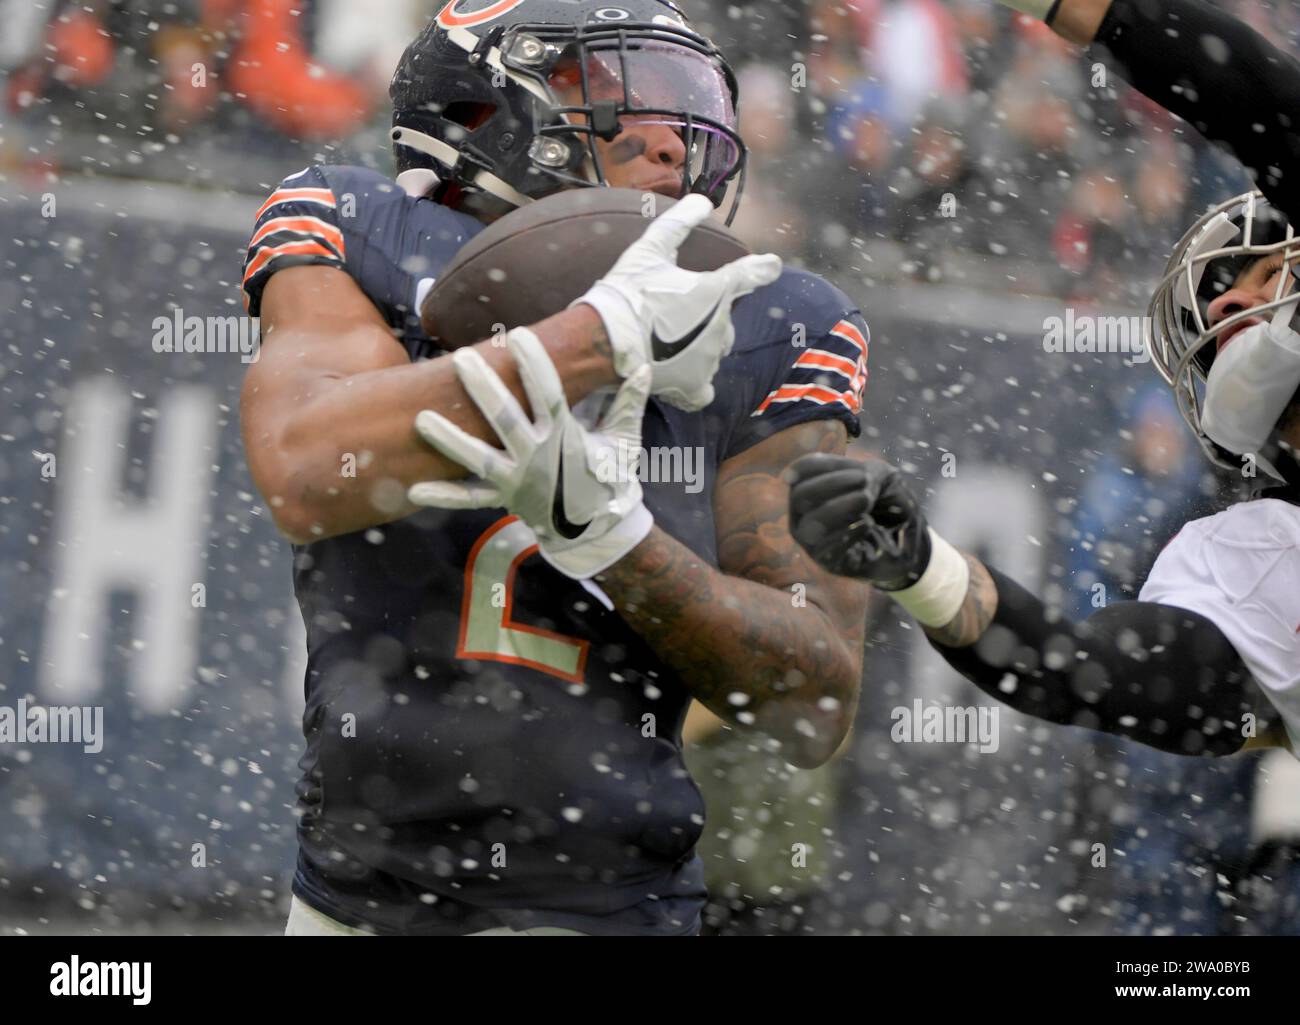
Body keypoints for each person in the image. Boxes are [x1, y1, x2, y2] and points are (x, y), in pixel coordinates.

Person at [240, 0, 871, 936]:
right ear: (483, 109)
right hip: (353, 898)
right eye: (624, 90)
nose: (673, 137)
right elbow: (303, 467)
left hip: (616, 905)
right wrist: (594, 339)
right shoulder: (360, 223)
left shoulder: (779, 320)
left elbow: (814, 701)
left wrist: (619, 544)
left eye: (689, 100)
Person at [788, 0, 1300, 764]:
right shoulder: (1259, 558)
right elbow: (1083, 670)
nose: (1228, 303)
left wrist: (1096, 12)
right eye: (1222, 296)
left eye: (1263, 275)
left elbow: (1263, 101)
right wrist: (921, 568)